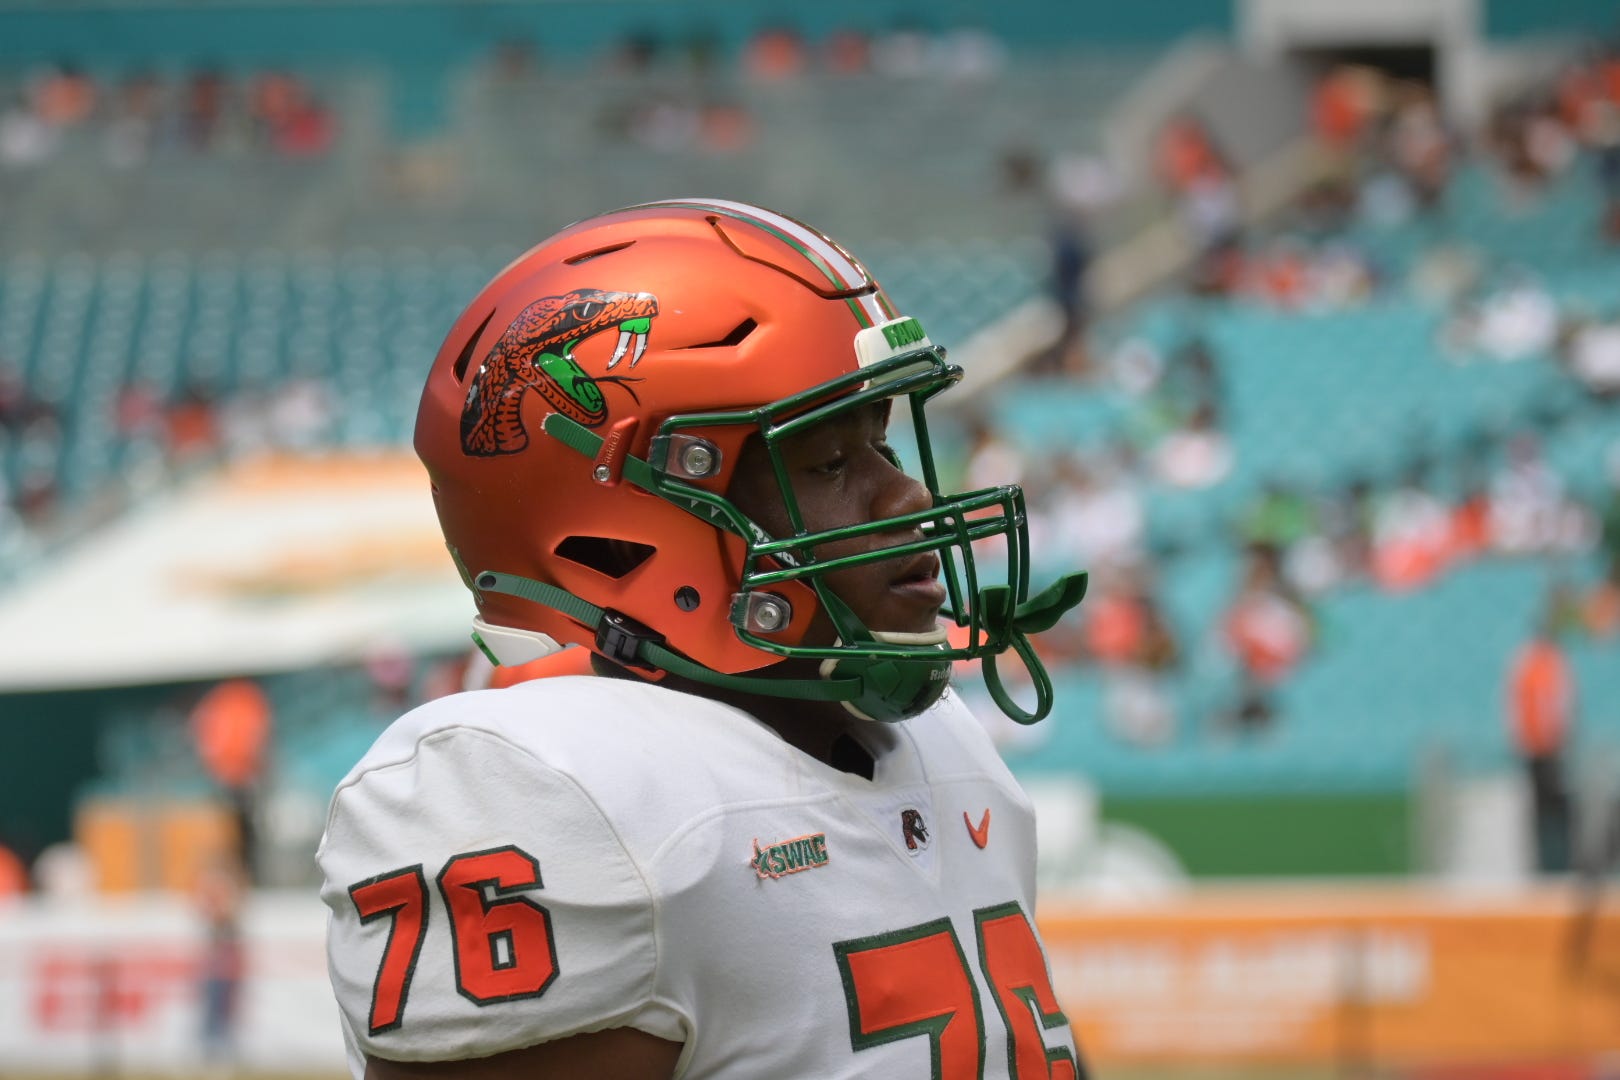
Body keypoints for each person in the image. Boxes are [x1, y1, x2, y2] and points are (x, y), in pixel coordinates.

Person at [317, 199, 1091, 1078]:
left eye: (882, 443)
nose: (909, 497)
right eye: (829, 464)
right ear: (634, 525)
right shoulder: (554, 793)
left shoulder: (943, 744)